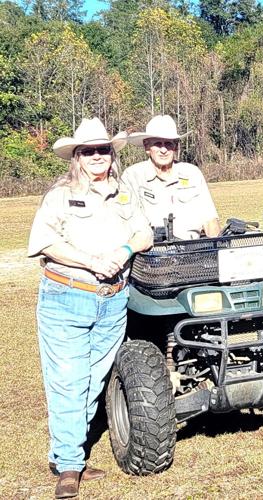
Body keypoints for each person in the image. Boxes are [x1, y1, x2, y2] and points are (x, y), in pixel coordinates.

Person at [28, 118, 152, 498]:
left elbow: (144, 233)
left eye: (103, 150)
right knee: (68, 382)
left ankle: (64, 451)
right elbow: (45, 243)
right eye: (89, 151)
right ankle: (69, 465)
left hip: (113, 301)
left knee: (94, 381)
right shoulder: (59, 195)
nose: (97, 156)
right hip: (67, 297)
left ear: (111, 155)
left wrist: (124, 251)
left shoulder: (124, 192)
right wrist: (91, 261)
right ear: (77, 158)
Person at [121, 115, 220, 240]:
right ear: (147, 147)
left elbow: (210, 220)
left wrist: (216, 246)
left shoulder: (192, 174)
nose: (163, 150)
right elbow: (126, 224)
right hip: (152, 250)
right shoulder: (132, 176)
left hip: (192, 247)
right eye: (157, 144)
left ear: (176, 147)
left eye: (168, 144)